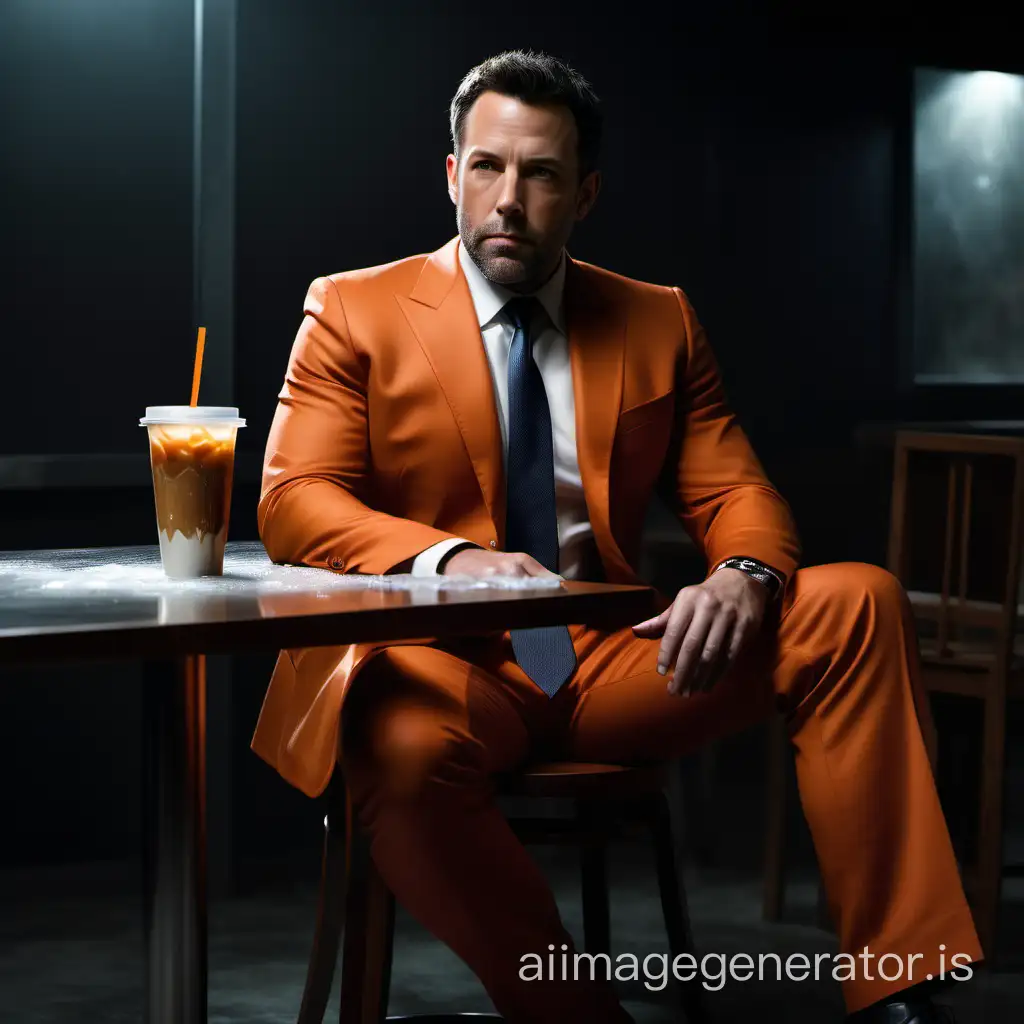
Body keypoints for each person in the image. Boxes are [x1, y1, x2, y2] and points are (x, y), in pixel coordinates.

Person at [252, 49, 982, 1023]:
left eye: (541, 174)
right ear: (451, 174)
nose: (508, 199)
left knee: (855, 603)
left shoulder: (656, 321)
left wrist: (746, 574)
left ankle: (904, 986)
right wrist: (453, 559)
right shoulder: (353, 309)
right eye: (486, 167)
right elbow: (294, 498)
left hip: (611, 662)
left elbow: (736, 490)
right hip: (435, 663)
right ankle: (573, 1010)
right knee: (396, 734)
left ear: (584, 192)